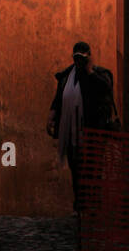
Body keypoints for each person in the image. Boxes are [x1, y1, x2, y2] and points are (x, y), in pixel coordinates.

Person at [46, 41, 116, 211]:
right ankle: (80, 205)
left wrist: (90, 70)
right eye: (76, 57)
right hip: (71, 132)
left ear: (89, 57)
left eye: (82, 57)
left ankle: (93, 206)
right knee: (76, 169)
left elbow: (106, 89)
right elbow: (59, 98)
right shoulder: (66, 76)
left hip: (93, 132)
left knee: (93, 169)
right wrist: (51, 116)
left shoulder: (100, 74)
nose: (79, 61)